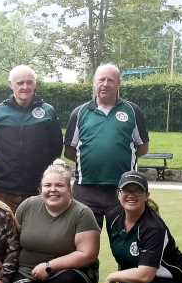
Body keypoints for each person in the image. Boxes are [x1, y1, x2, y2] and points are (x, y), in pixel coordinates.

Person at [64, 63, 149, 228]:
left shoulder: (132, 110)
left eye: (110, 80)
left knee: (125, 242)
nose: (105, 84)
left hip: (123, 188)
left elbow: (143, 147)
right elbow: (69, 150)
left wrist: (118, 157)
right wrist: (92, 160)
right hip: (86, 189)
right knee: (83, 244)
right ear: (94, 83)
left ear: (118, 84)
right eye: (101, 79)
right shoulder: (79, 112)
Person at [8, 161, 101, 283]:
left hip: (69, 273)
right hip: (28, 272)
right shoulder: (27, 206)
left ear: (70, 189)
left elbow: (87, 254)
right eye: (47, 185)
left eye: (59, 185)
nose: (53, 189)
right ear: (41, 188)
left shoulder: (82, 213)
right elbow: (13, 242)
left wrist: (49, 266)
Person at [102, 171, 182, 283]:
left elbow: (144, 276)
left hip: (172, 282)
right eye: (126, 189)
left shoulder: (153, 228)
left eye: (138, 190)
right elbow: (124, 259)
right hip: (142, 278)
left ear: (146, 195)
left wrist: (113, 276)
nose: (131, 194)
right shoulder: (112, 216)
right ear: (119, 193)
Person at [0, 65, 63, 212]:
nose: (25, 86)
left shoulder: (48, 111)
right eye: (20, 83)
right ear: (11, 85)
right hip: (3, 190)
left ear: (35, 84)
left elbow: (56, 147)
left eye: (29, 82)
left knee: (36, 234)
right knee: (3, 234)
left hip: (37, 190)